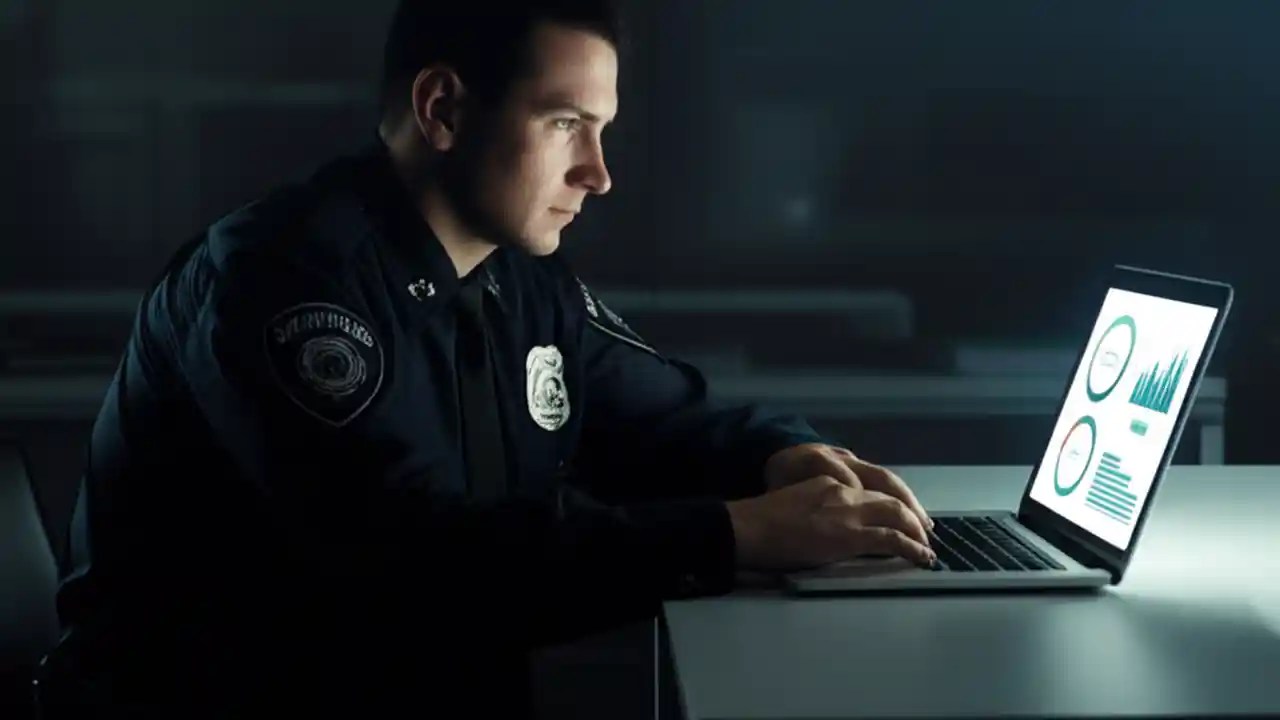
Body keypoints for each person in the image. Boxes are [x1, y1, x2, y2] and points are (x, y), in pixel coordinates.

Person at [35, 1, 937, 716]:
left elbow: (662, 416)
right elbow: (415, 563)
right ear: (442, 109)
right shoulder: (284, 285)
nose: (598, 172)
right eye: (564, 124)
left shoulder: (517, 278)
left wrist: (785, 456)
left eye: (603, 129)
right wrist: (735, 534)